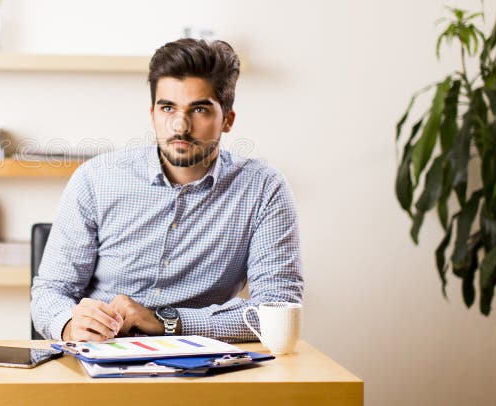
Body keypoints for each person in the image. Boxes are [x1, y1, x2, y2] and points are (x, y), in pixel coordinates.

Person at [31, 38, 303, 342]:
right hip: (104, 357)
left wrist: (167, 322)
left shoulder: (263, 188)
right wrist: (70, 324)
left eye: (199, 109)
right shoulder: (95, 179)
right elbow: (50, 293)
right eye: (167, 107)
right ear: (152, 114)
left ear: (227, 119)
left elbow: (278, 311)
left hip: (208, 369)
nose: (180, 126)